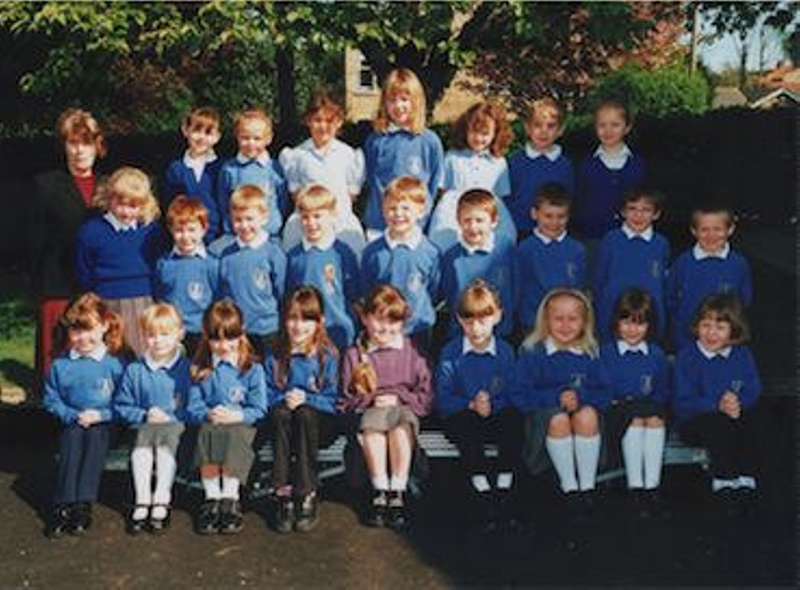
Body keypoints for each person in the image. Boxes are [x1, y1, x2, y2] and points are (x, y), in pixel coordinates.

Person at [340, 285, 432, 529]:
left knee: (400, 429)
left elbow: (425, 395)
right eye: (379, 320)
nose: (386, 328)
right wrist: (371, 399)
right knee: (373, 427)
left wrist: (399, 397)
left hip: (403, 410)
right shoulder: (354, 354)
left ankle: (397, 492)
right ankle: (379, 491)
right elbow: (345, 400)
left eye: (394, 322)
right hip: (370, 414)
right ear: (365, 318)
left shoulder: (412, 351)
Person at [434, 280, 523, 528]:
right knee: (465, 427)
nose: (475, 329)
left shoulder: (505, 351)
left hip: (497, 412)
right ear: (459, 320)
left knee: (514, 421)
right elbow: (443, 397)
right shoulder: (451, 353)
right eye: (468, 321)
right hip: (464, 414)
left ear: (498, 316)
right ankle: (481, 487)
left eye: (483, 321)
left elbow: (514, 391)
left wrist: (493, 404)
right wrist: (470, 404)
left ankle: (504, 486)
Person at [514, 289, 609, 514]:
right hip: (544, 419)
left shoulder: (590, 352)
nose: (565, 326)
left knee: (588, 415)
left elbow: (605, 392)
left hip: (582, 418)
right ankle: (569, 487)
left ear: (584, 322)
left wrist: (580, 397)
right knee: (559, 420)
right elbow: (518, 394)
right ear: (546, 320)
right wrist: (555, 398)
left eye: (573, 319)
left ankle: (588, 487)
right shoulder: (533, 352)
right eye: (558, 319)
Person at [31, 108, 107, 379]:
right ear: (64, 146)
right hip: (58, 283)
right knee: (57, 355)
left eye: (86, 142)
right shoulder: (45, 185)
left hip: (98, 282)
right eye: (72, 143)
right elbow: (35, 240)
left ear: (97, 145)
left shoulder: (109, 186)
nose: (79, 150)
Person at [42, 293, 126, 538]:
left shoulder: (114, 364)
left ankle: (83, 504)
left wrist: (101, 415)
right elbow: (51, 399)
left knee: (95, 437)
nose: (83, 338)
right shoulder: (60, 365)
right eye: (76, 331)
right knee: (73, 438)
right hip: (73, 421)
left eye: (89, 330)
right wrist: (71, 414)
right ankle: (63, 503)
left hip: (106, 423)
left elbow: (125, 402)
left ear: (104, 326)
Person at [673, 294, 762, 515]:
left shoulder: (742, 354)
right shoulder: (688, 356)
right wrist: (717, 405)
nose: (711, 333)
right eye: (706, 325)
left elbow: (753, 387)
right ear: (697, 326)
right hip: (694, 420)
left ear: (734, 330)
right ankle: (724, 481)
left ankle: (745, 479)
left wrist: (738, 402)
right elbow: (683, 400)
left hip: (731, 414)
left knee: (750, 420)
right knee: (718, 425)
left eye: (720, 327)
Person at [186, 299, 268, 535]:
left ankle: (231, 497)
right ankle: (212, 497)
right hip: (211, 425)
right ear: (206, 337)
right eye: (216, 339)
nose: (223, 346)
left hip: (242, 426)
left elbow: (259, 409)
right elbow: (193, 406)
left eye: (230, 338)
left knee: (235, 433)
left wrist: (236, 415)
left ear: (241, 333)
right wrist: (208, 413)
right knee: (208, 432)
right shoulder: (200, 368)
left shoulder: (252, 368)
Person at [264, 286, 340, 534]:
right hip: (284, 423)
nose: (299, 326)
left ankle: (307, 491)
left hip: (318, 426)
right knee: (282, 413)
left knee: (304, 413)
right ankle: (283, 492)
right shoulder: (275, 354)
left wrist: (308, 399)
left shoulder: (328, 356)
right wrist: (284, 398)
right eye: (292, 318)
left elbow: (335, 402)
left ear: (320, 322)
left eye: (307, 319)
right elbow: (265, 395)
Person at [114, 303, 191, 535]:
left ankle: (161, 498)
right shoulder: (135, 370)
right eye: (151, 335)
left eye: (165, 334)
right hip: (145, 427)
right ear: (143, 336)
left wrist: (171, 416)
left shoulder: (187, 369)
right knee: (142, 447)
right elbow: (121, 405)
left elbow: (195, 407)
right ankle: (142, 499)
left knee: (165, 443)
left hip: (175, 427)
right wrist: (144, 414)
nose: (158, 341)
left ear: (180, 333)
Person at [74, 166, 165, 356]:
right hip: (105, 302)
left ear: (144, 205)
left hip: (143, 301)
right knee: (107, 355)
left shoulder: (151, 231)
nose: (126, 211)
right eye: (120, 204)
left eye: (133, 206)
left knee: (142, 355)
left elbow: (158, 266)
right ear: (109, 198)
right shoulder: (91, 231)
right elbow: (84, 270)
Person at [599, 289, 669, 516]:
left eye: (640, 323)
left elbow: (662, 391)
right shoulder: (606, 353)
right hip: (617, 413)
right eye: (626, 322)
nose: (632, 329)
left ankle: (652, 487)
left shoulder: (656, 355)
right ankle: (635, 487)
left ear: (650, 325)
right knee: (636, 418)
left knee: (655, 418)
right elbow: (603, 390)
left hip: (648, 410)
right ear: (616, 322)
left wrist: (651, 403)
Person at [279, 91, 366, 257]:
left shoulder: (348, 155)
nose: (323, 126)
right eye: (317, 120)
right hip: (308, 223)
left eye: (329, 121)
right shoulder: (297, 156)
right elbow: (296, 195)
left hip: (340, 223)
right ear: (308, 121)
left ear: (339, 122)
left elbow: (351, 195)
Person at [363, 68, 444, 239]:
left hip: (416, 226)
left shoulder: (429, 141)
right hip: (379, 226)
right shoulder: (376, 140)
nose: (398, 106)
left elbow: (433, 184)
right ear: (384, 103)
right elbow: (371, 179)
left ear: (416, 101)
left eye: (404, 99)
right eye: (392, 100)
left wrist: (422, 215)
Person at [361, 176, 441, 349]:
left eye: (406, 208)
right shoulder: (372, 252)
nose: (398, 214)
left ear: (421, 211)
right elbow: (368, 290)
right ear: (383, 210)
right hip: (383, 330)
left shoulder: (430, 252)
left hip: (418, 329)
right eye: (392, 208)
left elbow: (434, 289)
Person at [428, 101, 517, 251]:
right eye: (474, 132)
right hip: (455, 210)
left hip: (487, 210)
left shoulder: (499, 163)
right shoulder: (452, 157)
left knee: (503, 239)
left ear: (495, 134)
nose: (478, 138)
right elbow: (443, 191)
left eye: (485, 134)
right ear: (465, 130)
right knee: (445, 240)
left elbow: (501, 197)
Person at [285, 184, 360, 350]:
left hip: (338, 331)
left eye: (317, 216)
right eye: (305, 217)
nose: (311, 223)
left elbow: (354, 295)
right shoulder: (293, 257)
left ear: (332, 215)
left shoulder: (343, 253)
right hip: (305, 333)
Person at [667, 204, 752, 350]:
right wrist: (678, 330)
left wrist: (728, 332)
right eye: (704, 230)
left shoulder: (739, 264)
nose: (711, 236)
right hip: (686, 338)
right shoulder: (683, 262)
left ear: (730, 230)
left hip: (724, 340)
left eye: (717, 229)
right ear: (694, 231)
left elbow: (744, 300)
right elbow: (670, 298)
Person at [218, 184, 287, 358]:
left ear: (264, 217)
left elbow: (282, 292)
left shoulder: (273, 253)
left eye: (250, 219)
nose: (244, 225)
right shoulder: (227, 255)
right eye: (238, 220)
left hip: (268, 330)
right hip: (238, 332)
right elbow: (225, 294)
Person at [593, 187, 669, 343]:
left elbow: (661, 286)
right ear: (623, 211)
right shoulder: (610, 240)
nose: (638, 215)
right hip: (611, 315)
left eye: (646, 210)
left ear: (656, 214)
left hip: (647, 319)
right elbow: (599, 283)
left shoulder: (661, 243)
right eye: (632, 209)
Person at [441, 189, 516, 339]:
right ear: (458, 221)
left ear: (494, 221)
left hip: (501, 332)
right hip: (462, 334)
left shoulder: (506, 249)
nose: (473, 227)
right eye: (467, 220)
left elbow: (515, 287)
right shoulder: (451, 257)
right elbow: (448, 294)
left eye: (479, 220)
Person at [516, 183, 585, 334]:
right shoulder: (524, 249)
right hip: (533, 322)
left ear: (568, 216)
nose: (554, 222)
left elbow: (579, 288)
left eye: (561, 216)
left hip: (567, 325)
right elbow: (518, 288)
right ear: (534, 214)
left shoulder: (577, 249)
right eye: (548, 216)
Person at [154, 196, 219, 359]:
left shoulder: (211, 264)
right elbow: (160, 295)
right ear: (171, 230)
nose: (185, 236)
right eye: (179, 230)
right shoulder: (164, 264)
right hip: (172, 333)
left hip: (202, 332)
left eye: (191, 230)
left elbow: (218, 296)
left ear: (204, 229)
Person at [574, 100, 646, 241]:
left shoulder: (637, 166)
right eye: (602, 125)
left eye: (615, 125)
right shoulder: (586, 165)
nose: (608, 131)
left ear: (627, 128)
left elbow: (645, 202)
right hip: (592, 238)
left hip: (629, 239)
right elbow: (578, 202)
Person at [507, 97, 575, 237]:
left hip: (553, 231)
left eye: (550, 126)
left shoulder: (565, 165)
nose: (544, 131)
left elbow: (569, 200)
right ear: (528, 128)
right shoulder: (515, 161)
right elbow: (507, 197)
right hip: (520, 230)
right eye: (537, 125)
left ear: (560, 130)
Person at [217, 108, 288, 239]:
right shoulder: (230, 169)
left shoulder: (275, 168)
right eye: (245, 138)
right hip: (237, 236)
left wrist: (274, 226)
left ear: (268, 139)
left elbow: (282, 202)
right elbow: (223, 203)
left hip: (269, 235)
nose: (251, 143)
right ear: (237, 137)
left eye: (257, 138)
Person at [163, 106, 223, 242]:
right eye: (197, 130)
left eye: (208, 132)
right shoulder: (175, 169)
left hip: (216, 237)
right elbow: (169, 206)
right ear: (185, 130)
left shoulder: (222, 168)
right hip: (185, 237)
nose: (201, 137)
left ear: (217, 137)